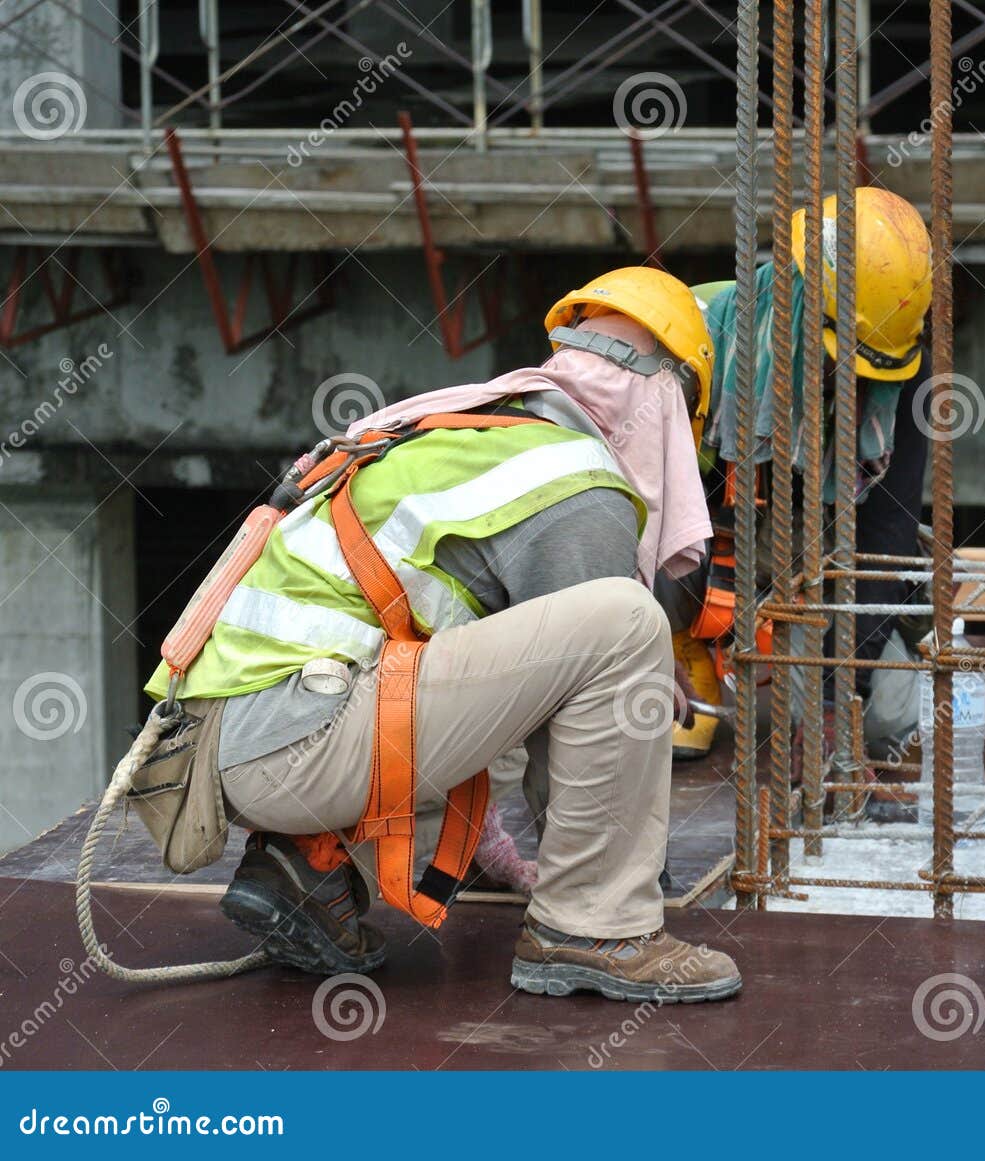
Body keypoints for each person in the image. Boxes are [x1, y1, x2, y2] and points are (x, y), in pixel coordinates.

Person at [142, 267, 741, 1004]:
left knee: (539, 643)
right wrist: (621, 871)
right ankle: (595, 928)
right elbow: (576, 719)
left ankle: (312, 869)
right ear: (668, 401)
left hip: (236, 742)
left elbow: (502, 675)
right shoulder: (578, 480)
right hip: (297, 742)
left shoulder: (468, 431)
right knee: (626, 622)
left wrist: (486, 845)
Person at [665, 187, 933, 766]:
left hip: (814, 565)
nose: (861, 384)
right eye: (844, 356)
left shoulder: (901, 369)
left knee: (889, 722)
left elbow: (886, 537)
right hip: (709, 548)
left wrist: (838, 693)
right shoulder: (698, 342)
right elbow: (643, 507)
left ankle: (808, 676)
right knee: (647, 530)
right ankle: (685, 654)